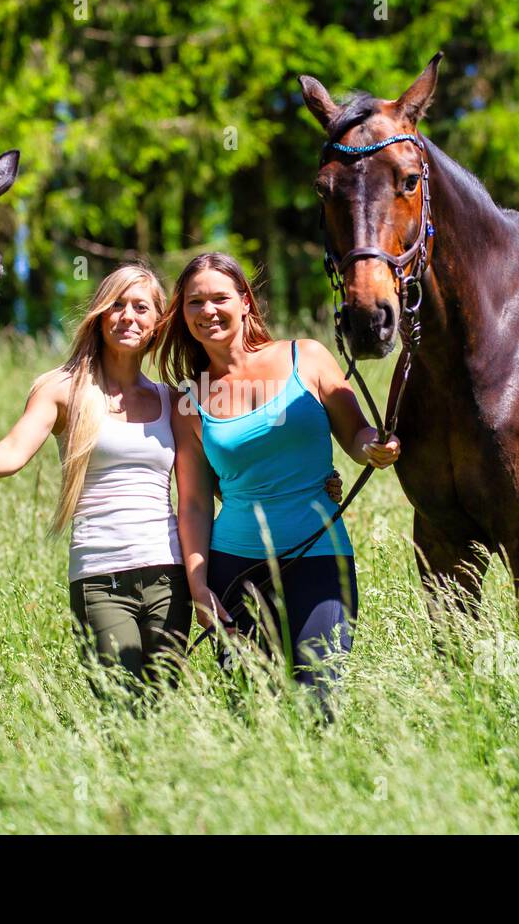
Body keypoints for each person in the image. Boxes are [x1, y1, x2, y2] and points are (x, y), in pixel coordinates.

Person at [159, 252, 400, 708]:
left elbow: (356, 433)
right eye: (194, 302)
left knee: (319, 700)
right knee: (252, 709)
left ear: (245, 301)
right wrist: (198, 588)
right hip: (234, 569)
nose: (207, 311)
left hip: (318, 557)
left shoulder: (305, 357)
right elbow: (193, 504)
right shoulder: (189, 400)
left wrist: (374, 447)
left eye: (219, 298)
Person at [0, 263, 191, 690]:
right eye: (117, 305)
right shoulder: (63, 389)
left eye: (141, 307)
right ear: (100, 316)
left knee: (162, 711)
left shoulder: (173, 399)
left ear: (157, 323)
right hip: (101, 576)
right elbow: (13, 451)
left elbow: (205, 485)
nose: (128, 316)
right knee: (121, 706)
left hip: (169, 576)